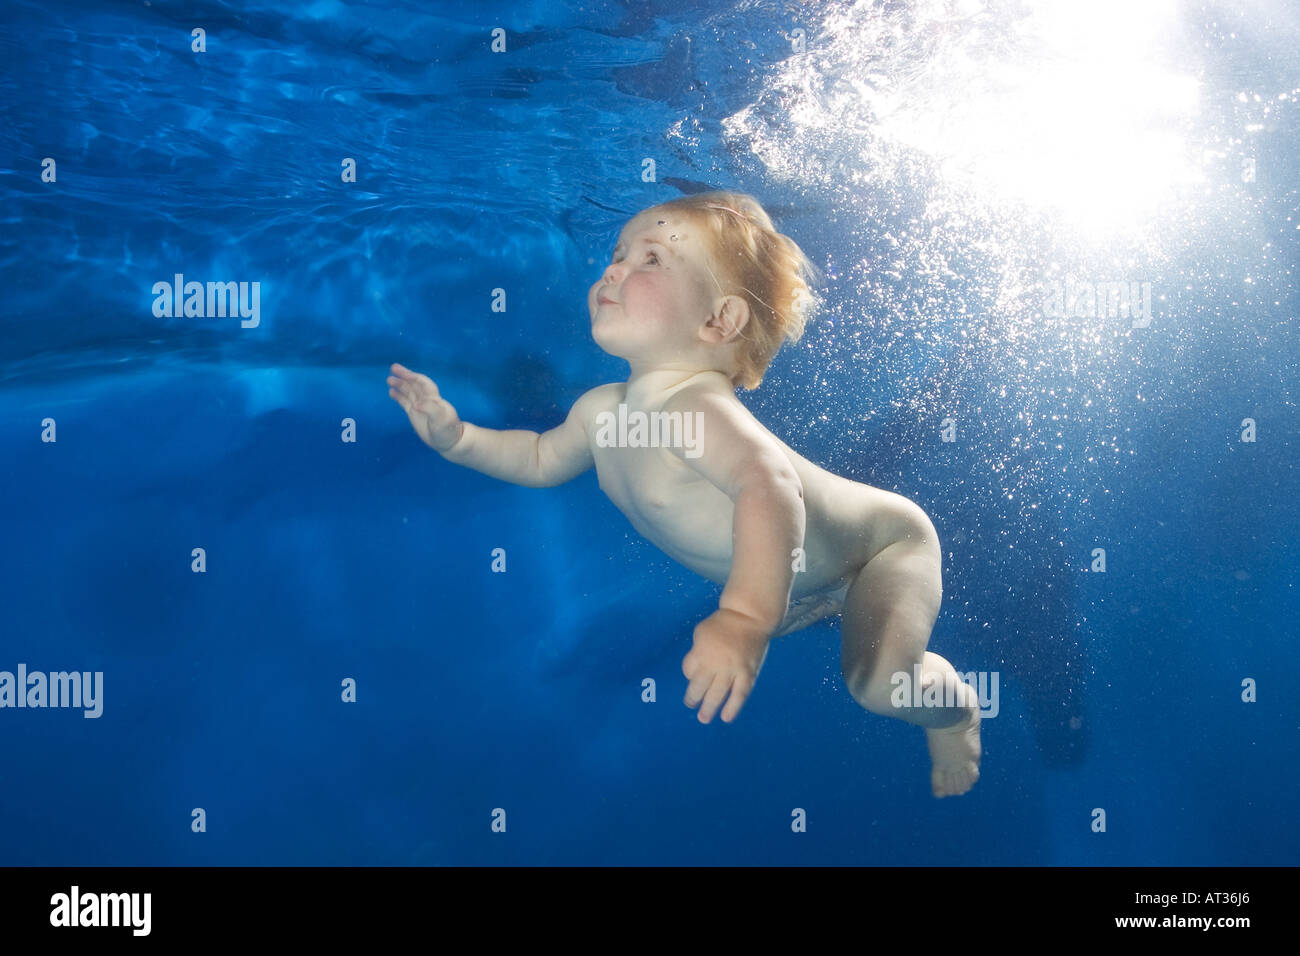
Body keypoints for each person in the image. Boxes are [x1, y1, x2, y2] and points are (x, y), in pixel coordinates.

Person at [388, 191, 980, 797]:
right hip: (810, 567)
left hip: (887, 546)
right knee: (820, 622)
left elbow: (769, 490)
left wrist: (745, 619)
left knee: (877, 685)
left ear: (718, 321)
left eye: (651, 261)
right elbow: (539, 459)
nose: (614, 269)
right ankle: (818, 600)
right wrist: (458, 438)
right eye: (617, 255)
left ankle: (957, 711)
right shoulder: (601, 411)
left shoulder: (694, 409)